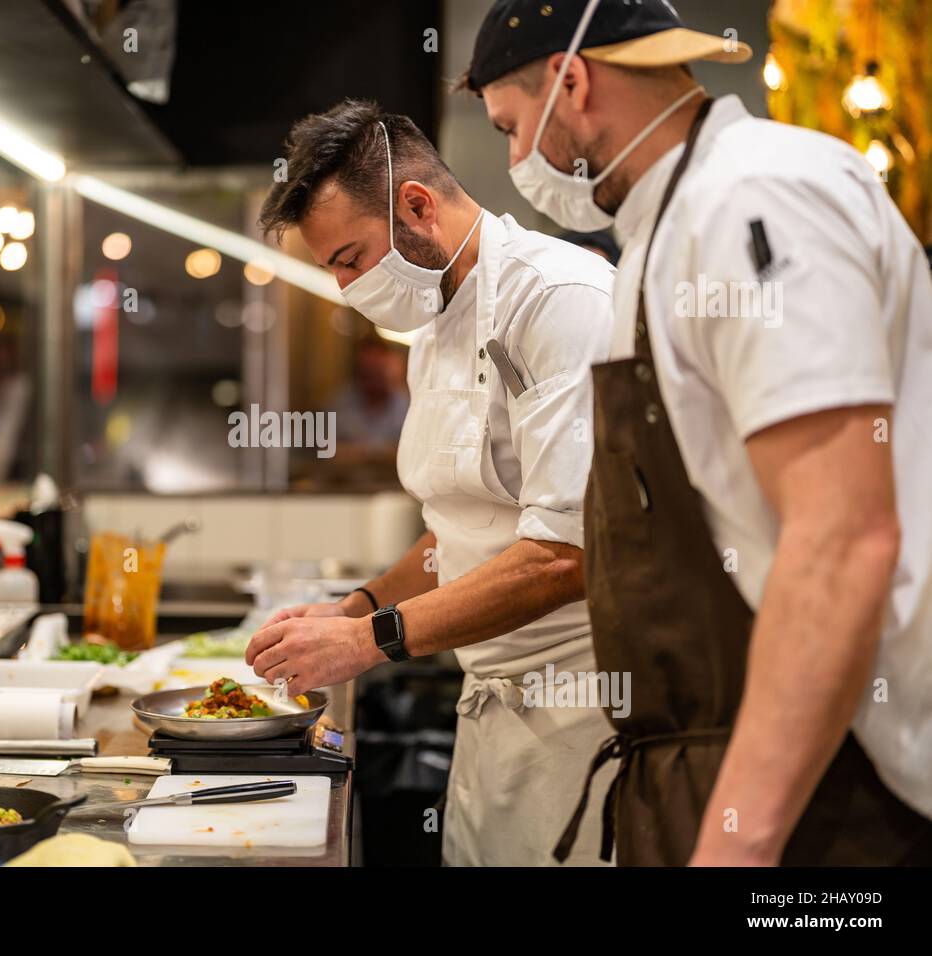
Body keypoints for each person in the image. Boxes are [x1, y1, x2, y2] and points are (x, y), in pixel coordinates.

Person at [462, 0, 932, 864]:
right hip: (712, 761)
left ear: (572, 83)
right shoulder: (661, 230)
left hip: (840, 788)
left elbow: (841, 539)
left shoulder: (754, 199)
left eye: (511, 126)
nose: (516, 158)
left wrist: (737, 842)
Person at [249, 99, 617, 866]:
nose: (346, 287)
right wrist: (358, 604)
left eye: (349, 258)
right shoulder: (431, 328)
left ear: (416, 205)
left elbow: (565, 553)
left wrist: (367, 640)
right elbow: (460, 530)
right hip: (491, 714)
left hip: (587, 716)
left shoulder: (558, 300)